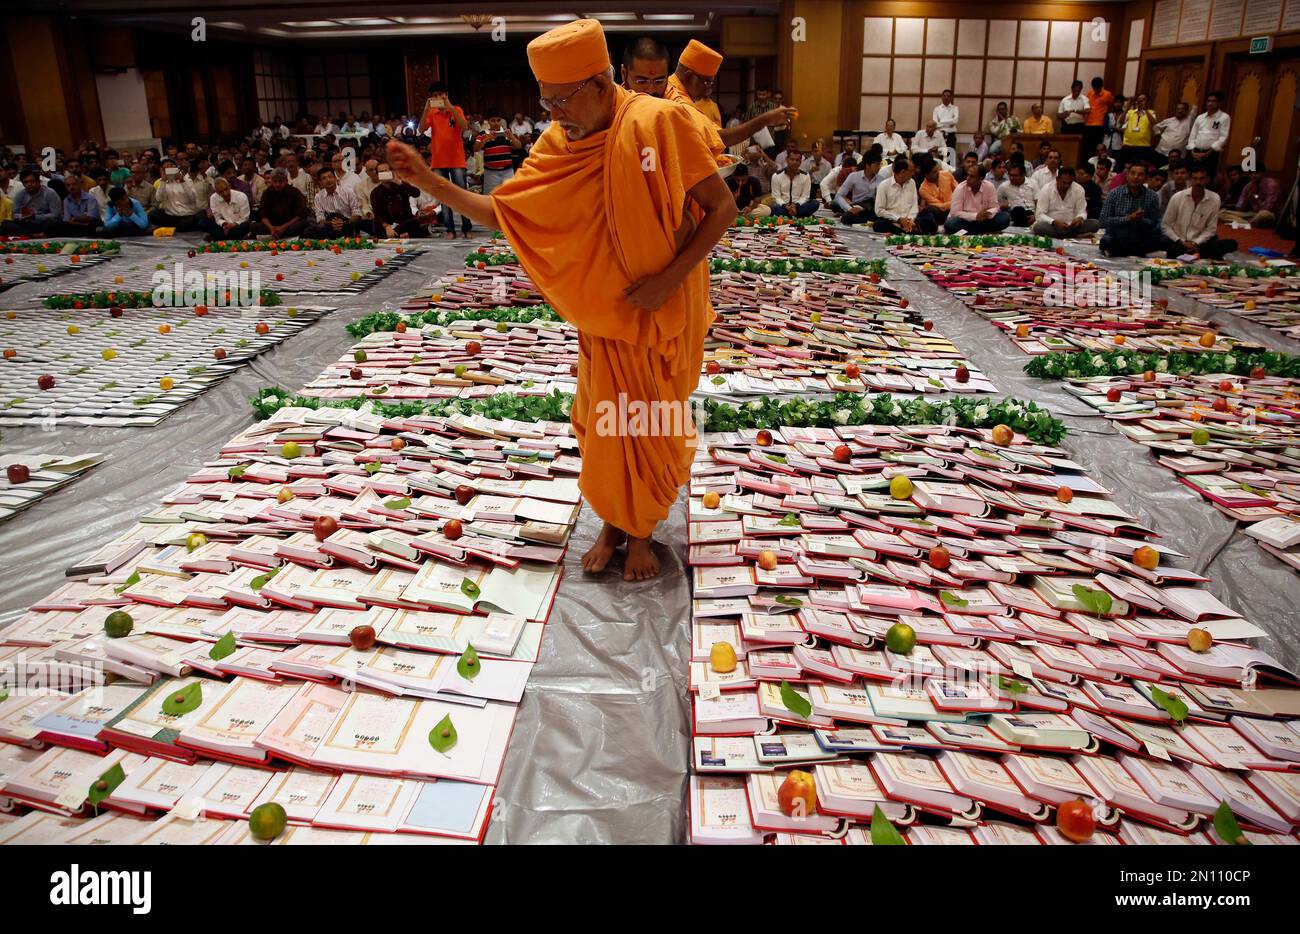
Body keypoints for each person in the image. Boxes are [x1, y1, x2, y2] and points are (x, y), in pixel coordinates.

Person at [387, 19, 733, 581]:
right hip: (603, 317)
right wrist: (433, 182)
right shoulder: (557, 143)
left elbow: (722, 209)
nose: (555, 116)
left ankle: (640, 532)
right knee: (604, 425)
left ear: (601, 84)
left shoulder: (659, 122)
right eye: (547, 103)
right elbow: (508, 213)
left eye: (563, 101)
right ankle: (611, 525)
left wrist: (668, 279)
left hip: (661, 311)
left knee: (650, 423)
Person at [666, 40, 797, 150]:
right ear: (689, 77)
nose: (708, 90)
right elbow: (721, 137)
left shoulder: (674, 90)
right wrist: (765, 119)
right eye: (706, 82)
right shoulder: (677, 101)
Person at [419, 81, 473, 239]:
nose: (438, 97)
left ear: (446, 95)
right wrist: (425, 109)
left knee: (461, 195)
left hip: (457, 160)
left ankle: (466, 228)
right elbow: (421, 129)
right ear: (431, 97)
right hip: (438, 162)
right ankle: (450, 230)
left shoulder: (456, 109)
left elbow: (464, 126)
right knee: (444, 196)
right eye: (435, 95)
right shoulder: (431, 112)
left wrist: (449, 107)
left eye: (441, 94)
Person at [1099, 161, 1162, 257]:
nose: (1136, 177)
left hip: (1141, 236)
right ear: (1127, 175)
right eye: (1133, 173)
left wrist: (1141, 220)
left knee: (1164, 240)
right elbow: (1103, 220)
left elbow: (1154, 223)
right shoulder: (1114, 194)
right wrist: (1128, 218)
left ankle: (1127, 252)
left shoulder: (1152, 196)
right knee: (1106, 241)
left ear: (1145, 178)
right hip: (1117, 236)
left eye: (1140, 174)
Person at [1032, 166, 1098, 238]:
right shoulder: (1046, 189)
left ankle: (1065, 235)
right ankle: (1075, 235)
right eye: (1063, 182)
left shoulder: (1079, 189)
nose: (1066, 185)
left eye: (1069, 183)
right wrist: (1054, 222)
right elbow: (1039, 215)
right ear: (1057, 179)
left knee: (1095, 224)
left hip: (1072, 226)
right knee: (1039, 227)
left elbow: (1082, 211)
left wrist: (1080, 218)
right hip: (1053, 226)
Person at [944, 164, 1009, 234]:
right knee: (950, 224)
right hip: (965, 221)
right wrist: (975, 216)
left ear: (981, 178)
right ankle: (983, 230)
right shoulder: (960, 188)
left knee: (1005, 217)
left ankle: (971, 231)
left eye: (972, 176)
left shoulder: (989, 187)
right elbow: (955, 213)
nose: (968, 178)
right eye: (968, 175)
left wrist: (986, 214)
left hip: (983, 221)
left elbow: (995, 207)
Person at [370, 168, 432, 238]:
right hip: (388, 225)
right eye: (381, 171)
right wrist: (386, 226)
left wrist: (399, 182)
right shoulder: (375, 192)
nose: (385, 173)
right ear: (378, 175)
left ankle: (402, 234)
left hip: (405, 222)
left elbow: (416, 193)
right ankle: (402, 234)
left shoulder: (401, 186)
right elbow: (377, 214)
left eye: (387, 171)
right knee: (367, 224)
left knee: (413, 222)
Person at [307, 166, 365, 238]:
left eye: (330, 176)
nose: (328, 180)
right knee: (311, 229)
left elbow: (356, 212)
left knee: (357, 223)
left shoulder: (348, 191)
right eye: (324, 178)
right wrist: (332, 223)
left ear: (335, 178)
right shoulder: (318, 197)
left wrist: (343, 223)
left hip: (347, 222)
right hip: (329, 224)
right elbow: (320, 218)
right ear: (320, 183)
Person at [1, 169, 61, 235]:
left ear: (39, 181)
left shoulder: (50, 193)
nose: (29, 184)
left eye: (32, 181)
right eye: (26, 182)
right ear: (23, 184)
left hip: (44, 223)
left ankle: (39, 234)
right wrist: (23, 216)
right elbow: (15, 214)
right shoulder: (20, 194)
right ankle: (33, 235)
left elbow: (55, 215)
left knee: (53, 223)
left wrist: (35, 216)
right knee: (6, 224)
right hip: (27, 223)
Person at [254, 169, 310, 238]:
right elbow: (263, 215)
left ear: (286, 181)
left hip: (289, 225)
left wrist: (283, 228)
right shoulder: (267, 193)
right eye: (275, 181)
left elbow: (300, 214)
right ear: (272, 181)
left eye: (280, 181)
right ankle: (276, 233)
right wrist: (271, 228)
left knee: (304, 223)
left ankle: (275, 235)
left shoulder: (295, 192)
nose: (277, 184)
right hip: (272, 226)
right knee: (254, 226)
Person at [1220, 163, 1280, 227]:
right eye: (1251, 173)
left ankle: (1247, 221)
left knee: (1263, 215)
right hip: (1253, 213)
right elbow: (1240, 207)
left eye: (1256, 173)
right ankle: (1249, 222)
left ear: (1263, 174)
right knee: (1222, 213)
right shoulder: (1249, 186)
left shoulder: (1271, 185)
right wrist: (1247, 198)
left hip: (1269, 214)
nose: (1253, 175)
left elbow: (1267, 208)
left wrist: (1255, 196)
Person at [1188, 92, 1230, 179]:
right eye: (1208, 101)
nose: (1210, 103)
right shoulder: (1200, 117)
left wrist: (1207, 153)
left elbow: (1223, 138)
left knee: (1207, 178)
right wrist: (1192, 150)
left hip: (1211, 154)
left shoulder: (1224, 117)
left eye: (1214, 101)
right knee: (1192, 177)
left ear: (1219, 103)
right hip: (1195, 152)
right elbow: (1193, 135)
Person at [872, 155, 918, 233]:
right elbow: (879, 210)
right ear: (903, 172)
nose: (913, 173)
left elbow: (914, 205)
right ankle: (904, 231)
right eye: (911, 171)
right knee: (879, 224)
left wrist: (909, 220)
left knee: (928, 218)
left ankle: (906, 230)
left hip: (909, 221)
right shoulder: (884, 185)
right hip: (892, 221)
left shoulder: (912, 183)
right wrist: (899, 219)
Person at [474, 116, 518, 195]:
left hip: (507, 171)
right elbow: (475, 149)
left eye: (498, 120)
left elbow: (518, 146)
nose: (496, 123)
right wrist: (486, 139)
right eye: (493, 121)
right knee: (490, 196)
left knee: (510, 196)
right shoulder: (483, 134)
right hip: (491, 172)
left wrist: (512, 137)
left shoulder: (507, 132)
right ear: (488, 121)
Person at [201, 176, 252, 241]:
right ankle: (232, 237)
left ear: (229, 186)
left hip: (238, 225)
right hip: (223, 226)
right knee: (202, 223)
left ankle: (220, 237)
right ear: (216, 192)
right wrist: (224, 224)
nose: (225, 193)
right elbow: (217, 218)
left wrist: (233, 225)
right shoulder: (213, 198)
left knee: (246, 225)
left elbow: (244, 218)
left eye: (226, 189)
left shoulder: (241, 196)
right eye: (221, 192)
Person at [1119, 93, 1157, 171]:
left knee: (1140, 169)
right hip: (1128, 145)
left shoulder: (1151, 112)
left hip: (1143, 147)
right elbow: (1121, 121)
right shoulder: (1130, 112)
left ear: (1148, 102)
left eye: (1143, 100)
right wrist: (1127, 108)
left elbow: (1153, 122)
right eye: (1139, 99)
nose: (1140, 101)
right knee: (1126, 169)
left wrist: (1145, 109)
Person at [916, 156, 955, 233]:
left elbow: (958, 191)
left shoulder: (947, 174)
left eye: (937, 170)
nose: (938, 173)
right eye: (934, 172)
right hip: (942, 213)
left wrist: (957, 202)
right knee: (930, 209)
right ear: (926, 174)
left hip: (956, 207)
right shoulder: (923, 189)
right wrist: (954, 202)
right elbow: (941, 207)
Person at [1083, 76, 1114, 163]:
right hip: (1088, 123)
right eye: (1094, 88)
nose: (1095, 90)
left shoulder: (1107, 94)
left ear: (1101, 87)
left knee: (1097, 146)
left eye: (1097, 88)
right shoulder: (1090, 93)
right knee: (1087, 147)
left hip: (1099, 124)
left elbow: (1112, 105)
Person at [998, 161, 1037, 227]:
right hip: (1016, 214)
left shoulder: (1033, 183)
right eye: (1010, 175)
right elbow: (996, 202)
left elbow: (1038, 202)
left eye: (1015, 175)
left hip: (1032, 214)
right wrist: (1003, 206)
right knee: (1018, 210)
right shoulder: (1004, 186)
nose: (1011, 178)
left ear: (1023, 174)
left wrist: (1035, 216)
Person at [1154, 101, 1193, 168]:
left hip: (1178, 156)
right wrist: (1158, 136)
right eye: (1178, 109)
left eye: (1182, 109)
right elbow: (1155, 127)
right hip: (1162, 152)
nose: (1179, 111)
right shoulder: (1169, 120)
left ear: (1186, 111)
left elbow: (1195, 110)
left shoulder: (1190, 121)